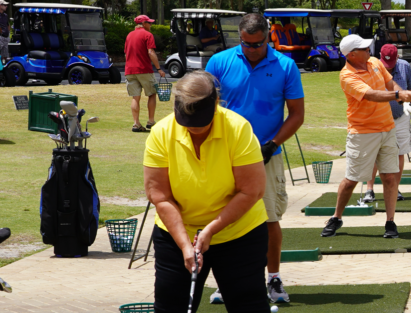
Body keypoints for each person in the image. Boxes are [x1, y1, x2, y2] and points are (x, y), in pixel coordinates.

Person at [143, 71, 270, 312]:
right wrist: (184, 245)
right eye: (187, 124)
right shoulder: (160, 132)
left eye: (202, 122)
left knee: (249, 306)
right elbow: (159, 195)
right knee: (170, 307)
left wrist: (210, 231)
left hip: (239, 233)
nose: (194, 129)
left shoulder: (238, 129)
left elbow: (251, 191)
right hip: (176, 234)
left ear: (216, 104)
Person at [203, 12, 305, 304]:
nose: (252, 49)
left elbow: (297, 115)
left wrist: (272, 145)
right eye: (247, 44)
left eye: (258, 44)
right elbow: (205, 106)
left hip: (266, 155)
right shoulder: (219, 62)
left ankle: (273, 279)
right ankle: (227, 281)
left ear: (267, 38)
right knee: (225, 217)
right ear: (240, 38)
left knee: (269, 219)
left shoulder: (285, 65)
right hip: (224, 155)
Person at [323, 34, 411, 241]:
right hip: (362, 132)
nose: (369, 50)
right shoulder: (346, 76)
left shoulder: (374, 62)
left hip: (387, 128)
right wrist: (398, 96)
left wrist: (405, 98)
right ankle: (337, 217)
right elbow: (371, 95)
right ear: (352, 54)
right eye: (364, 49)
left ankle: (390, 221)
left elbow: (390, 84)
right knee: (351, 180)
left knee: (390, 176)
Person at [362, 44, 411, 203]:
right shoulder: (372, 67)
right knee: (374, 154)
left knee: (399, 153)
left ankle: (395, 188)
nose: (389, 67)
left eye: (391, 64)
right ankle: (369, 190)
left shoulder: (404, 66)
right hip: (378, 118)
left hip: (400, 117)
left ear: (397, 58)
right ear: (380, 56)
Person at [124, 15, 166, 133]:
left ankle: (136, 123)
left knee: (135, 97)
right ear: (143, 23)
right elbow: (151, 52)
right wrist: (158, 69)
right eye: (149, 23)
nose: (151, 25)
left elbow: (126, 54)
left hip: (130, 70)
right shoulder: (148, 35)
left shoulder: (129, 35)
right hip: (144, 70)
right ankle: (151, 122)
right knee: (152, 94)